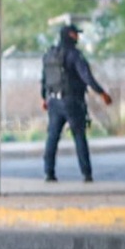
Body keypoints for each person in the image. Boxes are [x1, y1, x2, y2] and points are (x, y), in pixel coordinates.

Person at [41, 23, 113, 182]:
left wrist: (44, 98)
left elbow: (44, 79)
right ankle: (86, 173)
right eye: (76, 34)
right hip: (72, 101)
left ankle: (49, 173)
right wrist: (102, 93)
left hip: (53, 101)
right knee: (79, 136)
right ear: (70, 35)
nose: (78, 37)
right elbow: (86, 76)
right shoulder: (74, 55)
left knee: (52, 137)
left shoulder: (49, 54)